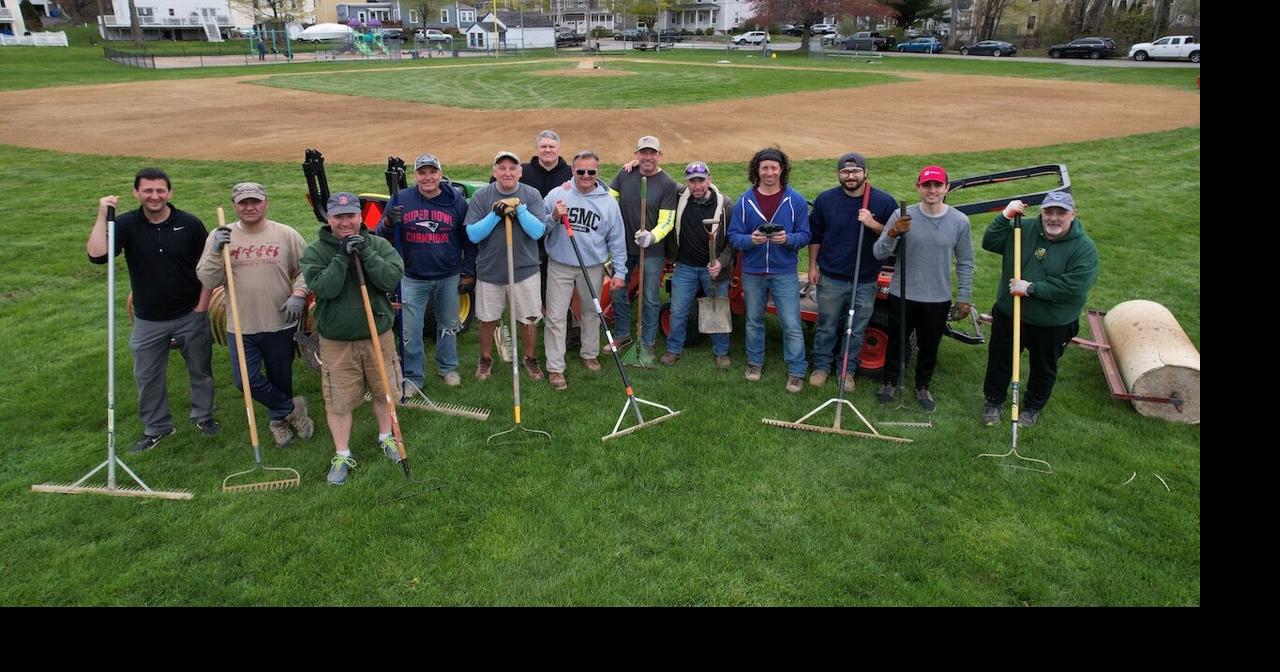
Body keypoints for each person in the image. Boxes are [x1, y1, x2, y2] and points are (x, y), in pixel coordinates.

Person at [88, 167, 218, 453]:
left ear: (169, 192)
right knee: (148, 377)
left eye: (160, 190)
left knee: (201, 370)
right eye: (147, 190)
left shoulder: (190, 224)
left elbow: (210, 266)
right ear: (137, 193)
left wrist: (202, 308)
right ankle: (157, 427)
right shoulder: (125, 225)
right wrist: (102, 215)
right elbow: (98, 255)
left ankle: (203, 417)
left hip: (190, 313)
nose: (154, 196)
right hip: (148, 319)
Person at [300, 192, 406, 486]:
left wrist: (366, 254)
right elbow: (325, 288)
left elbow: (390, 279)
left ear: (360, 217)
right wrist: (342, 257)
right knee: (339, 399)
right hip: (337, 339)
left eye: (351, 216)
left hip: (377, 334)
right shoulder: (315, 252)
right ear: (329, 219)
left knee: (384, 390)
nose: (345, 222)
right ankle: (342, 453)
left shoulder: (379, 244)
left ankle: (386, 437)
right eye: (338, 216)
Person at [196, 182, 314, 447]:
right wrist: (216, 251)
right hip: (240, 324)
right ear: (234, 205)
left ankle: (278, 421)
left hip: (280, 322)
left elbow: (308, 268)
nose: (249, 207)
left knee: (280, 378)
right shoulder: (221, 236)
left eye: (255, 201)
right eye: (243, 203)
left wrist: (298, 293)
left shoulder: (285, 234)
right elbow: (206, 277)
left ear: (265, 203)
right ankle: (292, 409)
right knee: (245, 382)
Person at [980, 191, 1099, 428]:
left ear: (1073, 215)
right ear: (1042, 212)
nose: (1054, 218)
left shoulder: (1084, 248)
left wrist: (1032, 288)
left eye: (1061, 213)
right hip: (1011, 313)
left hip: (1053, 322)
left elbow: (1074, 286)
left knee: (1043, 367)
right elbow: (990, 242)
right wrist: (1004, 216)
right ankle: (994, 401)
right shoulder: (1021, 228)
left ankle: (1033, 407)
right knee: (1000, 360)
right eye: (1049, 212)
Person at [872, 165, 975, 412]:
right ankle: (889, 381)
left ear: (946, 188)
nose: (932, 190)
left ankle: (922, 385)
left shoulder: (959, 221)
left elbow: (966, 261)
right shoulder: (901, 215)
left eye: (937, 185)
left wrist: (964, 297)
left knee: (930, 346)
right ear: (917, 187)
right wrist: (892, 234)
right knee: (897, 342)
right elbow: (879, 252)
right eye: (926, 185)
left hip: (937, 297)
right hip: (903, 293)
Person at [376, 153, 475, 392]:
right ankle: (412, 376)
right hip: (411, 276)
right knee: (410, 331)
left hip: (447, 274)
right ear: (415, 176)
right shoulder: (401, 199)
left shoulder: (456, 202)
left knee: (449, 325)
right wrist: (389, 222)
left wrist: (469, 268)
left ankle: (448, 367)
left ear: (440, 174)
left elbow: (468, 239)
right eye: (422, 172)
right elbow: (380, 234)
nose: (428, 177)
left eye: (432, 172)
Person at [807, 151, 897, 392]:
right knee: (826, 325)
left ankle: (847, 371)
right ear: (838, 174)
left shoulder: (884, 202)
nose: (850, 176)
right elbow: (815, 236)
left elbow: (894, 237)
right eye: (845, 172)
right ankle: (822, 367)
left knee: (856, 328)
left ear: (865, 172)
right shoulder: (826, 200)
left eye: (856, 171)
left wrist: (873, 224)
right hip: (832, 277)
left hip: (865, 279)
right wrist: (812, 266)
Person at [541, 150, 628, 390]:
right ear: (572, 171)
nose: (586, 176)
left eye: (591, 171)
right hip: (560, 264)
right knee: (556, 317)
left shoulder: (608, 202)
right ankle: (555, 368)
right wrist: (553, 217)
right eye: (581, 171)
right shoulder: (558, 194)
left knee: (592, 312)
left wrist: (619, 272)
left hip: (592, 266)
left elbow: (617, 240)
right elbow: (538, 229)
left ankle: (589, 354)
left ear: (597, 173)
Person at [728, 147, 811, 393]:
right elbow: (734, 236)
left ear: (781, 169)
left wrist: (787, 239)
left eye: (774, 167)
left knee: (790, 322)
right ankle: (755, 363)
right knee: (754, 321)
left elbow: (805, 235)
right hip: (753, 271)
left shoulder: (794, 200)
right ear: (758, 170)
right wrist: (749, 241)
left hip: (784, 271)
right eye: (765, 167)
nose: (769, 172)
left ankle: (796, 370)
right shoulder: (745, 201)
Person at [464, 151, 550, 382]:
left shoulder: (531, 195)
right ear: (494, 172)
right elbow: (473, 234)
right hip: (490, 270)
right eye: (502, 168)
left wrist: (520, 210)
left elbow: (537, 231)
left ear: (520, 172)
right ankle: (485, 359)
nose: (507, 172)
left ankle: (530, 359)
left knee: (529, 318)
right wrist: (495, 214)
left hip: (525, 270)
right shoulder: (483, 196)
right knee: (487, 318)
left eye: (512, 168)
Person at [660, 161, 735, 369]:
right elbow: (659, 176)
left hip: (714, 270)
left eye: (701, 180)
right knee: (678, 310)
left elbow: (732, 242)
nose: (697, 186)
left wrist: (721, 262)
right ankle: (674, 349)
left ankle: (721, 352)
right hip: (684, 266)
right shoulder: (680, 198)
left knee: (717, 309)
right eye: (692, 182)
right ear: (687, 183)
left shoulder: (725, 205)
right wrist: (635, 164)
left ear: (709, 180)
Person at [609, 135, 678, 354]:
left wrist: (652, 236)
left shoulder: (667, 184)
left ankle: (647, 341)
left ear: (660, 155)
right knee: (617, 291)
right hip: (623, 246)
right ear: (636, 154)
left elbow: (667, 220)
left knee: (649, 296)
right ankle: (623, 334)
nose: (648, 157)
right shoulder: (625, 174)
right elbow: (608, 199)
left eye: (652, 153)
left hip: (653, 250)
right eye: (643, 152)